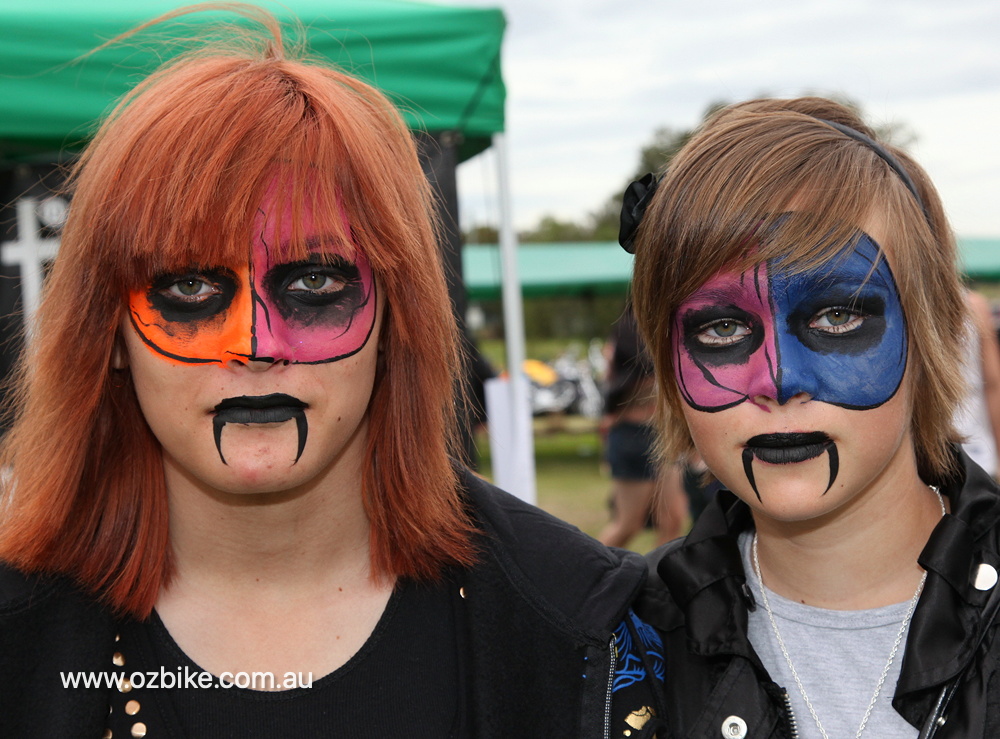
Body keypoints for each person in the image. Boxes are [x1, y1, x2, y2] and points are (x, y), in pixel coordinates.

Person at [0, 6, 665, 737]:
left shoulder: (579, 625)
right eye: (190, 285)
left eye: (315, 282)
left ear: (396, 315)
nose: (256, 345)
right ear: (109, 332)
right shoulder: (19, 631)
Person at [623, 96, 1000, 737]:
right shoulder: (622, 647)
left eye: (837, 315)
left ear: (930, 330)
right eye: (721, 328)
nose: (778, 381)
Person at [599, 306, 688, 548]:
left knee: (672, 520)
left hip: (663, 435)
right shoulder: (630, 331)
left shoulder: (668, 323)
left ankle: (661, 573)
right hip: (634, 434)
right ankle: (587, 569)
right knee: (628, 524)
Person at [954, 289, 1000, 478]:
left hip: (977, 453)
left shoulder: (974, 306)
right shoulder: (974, 305)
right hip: (976, 455)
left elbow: (993, 385)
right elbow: (993, 386)